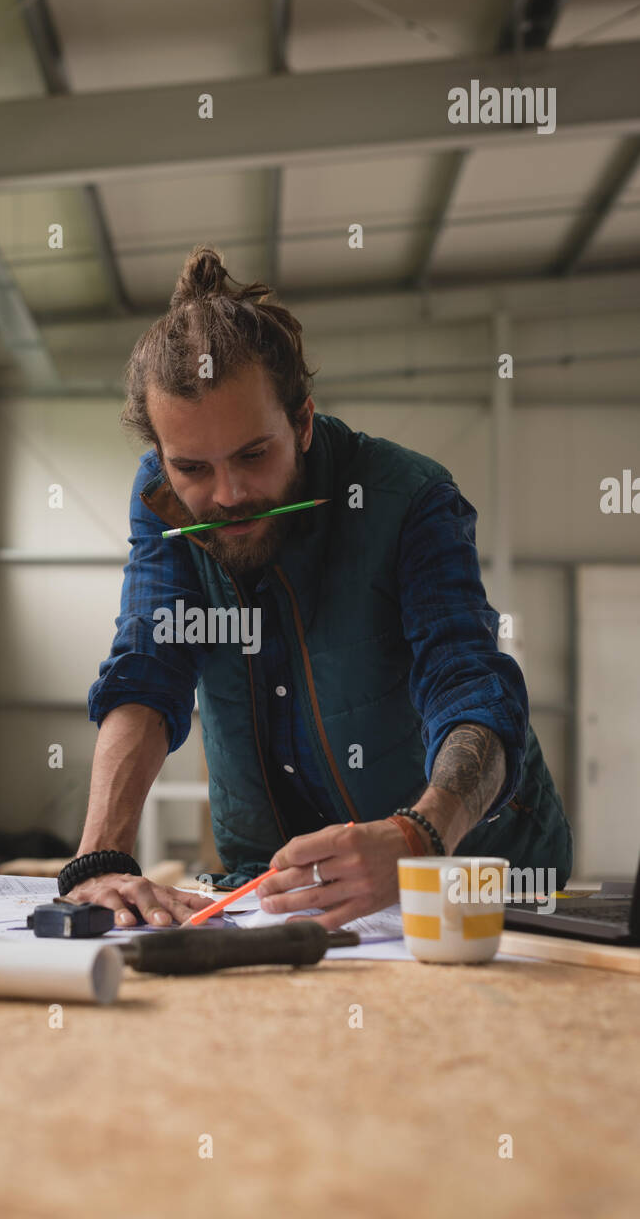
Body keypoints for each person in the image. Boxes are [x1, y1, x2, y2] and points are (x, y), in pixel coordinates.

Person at [58, 246, 572, 930]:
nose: (229, 494)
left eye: (252, 454)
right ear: (160, 456)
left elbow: (468, 682)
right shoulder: (161, 501)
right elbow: (149, 666)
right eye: (192, 467)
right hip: (273, 888)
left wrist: (420, 836)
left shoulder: (410, 497)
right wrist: (100, 858)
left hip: (468, 875)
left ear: (300, 422)